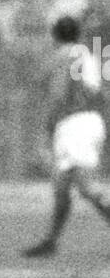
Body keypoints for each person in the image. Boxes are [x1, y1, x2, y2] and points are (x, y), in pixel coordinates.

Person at [23, 14, 110, 257]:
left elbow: (58, 93)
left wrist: (45, 128)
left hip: (74, 124)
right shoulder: (88, 55)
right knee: (62, 185)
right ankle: (51, 241)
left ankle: (51, 241)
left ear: (54, 35)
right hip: (90, 121)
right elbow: (98, 91)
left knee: (84, 186)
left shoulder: (62, 57)